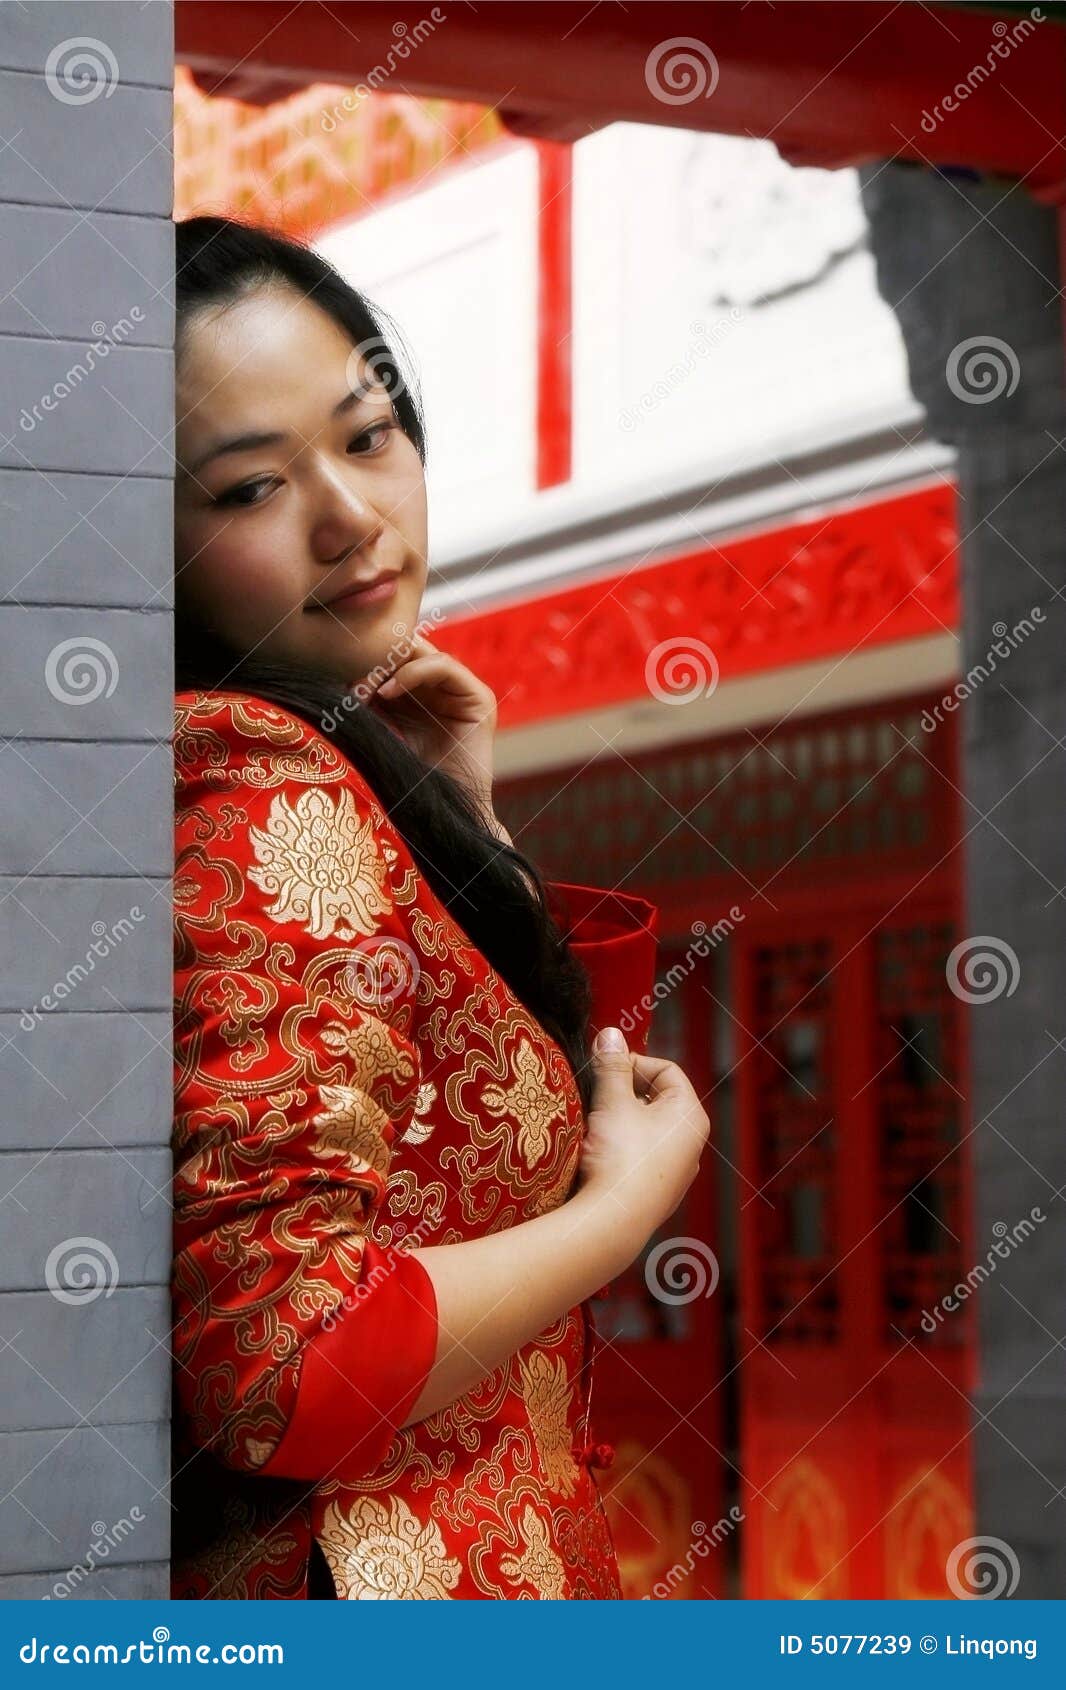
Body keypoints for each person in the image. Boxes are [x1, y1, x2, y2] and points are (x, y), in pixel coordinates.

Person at [170, 215, 710, 1600]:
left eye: (364, 433)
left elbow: (453, 1126)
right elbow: (279, 1369)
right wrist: (623, 1210)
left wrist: (459, 831)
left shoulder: (317, 763)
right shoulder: (252, 766)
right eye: (244, 490)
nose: (351, 517)